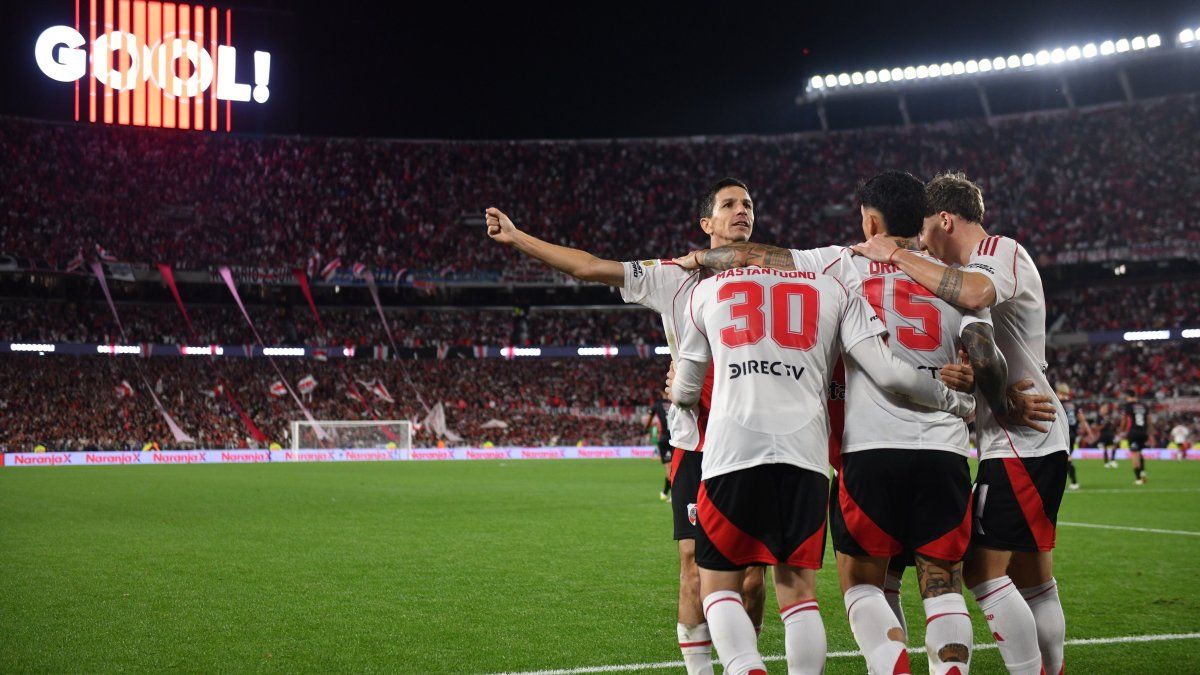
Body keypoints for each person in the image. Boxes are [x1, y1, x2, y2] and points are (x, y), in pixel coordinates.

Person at [483, 178, 767, 675]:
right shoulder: (671, 276)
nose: (742, 211)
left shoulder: (780, 273)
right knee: (692, 569)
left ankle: (747, 661)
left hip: (755, 443)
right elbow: (590, 265)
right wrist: (518, 236)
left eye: (747, 204)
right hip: (695, 446)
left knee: (752, 579)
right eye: (729, 205)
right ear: (706, 224)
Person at [671, 250, 974, 675]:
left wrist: (683, 396)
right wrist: (956, 400)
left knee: (719, 587)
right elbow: (887, 372)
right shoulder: (833, 288)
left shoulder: (705, 290)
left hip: (732, 450)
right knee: (799, 595)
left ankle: (744, 667)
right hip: (807, 457)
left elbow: (686, 389)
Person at [853, 172, 1070, 675]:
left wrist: (895, 255)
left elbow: (973, 296)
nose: (923, 241)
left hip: (1020, 437)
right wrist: (971, 379)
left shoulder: (1000, 251)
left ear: (945, 219)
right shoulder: (983, 261)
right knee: (1035, 578)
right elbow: (983, 348)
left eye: (926, 229)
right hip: (1025, 436)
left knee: (980, 573)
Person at [1056, 383, 1087, 490]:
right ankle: (1071, 482)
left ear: (1059, 392)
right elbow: (1082, 420)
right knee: (1066, 458)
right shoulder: (1074, 404)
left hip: (1061, 433)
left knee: (1062, 458)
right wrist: (1086, 432)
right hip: (1072, 434)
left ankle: (1073, 482)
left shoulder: (1057, 403)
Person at [646, 393, 674, 500]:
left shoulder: (657, 405)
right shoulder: (674, 403)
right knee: (675, 467)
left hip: (664, 439)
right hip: (677, 438)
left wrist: (645, 429)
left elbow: (649, 419)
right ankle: (666, 493)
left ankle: (670, 494)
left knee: (669, 468)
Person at [1122, 391, 1152, 485]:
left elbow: (1125, 419)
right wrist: (1150, 433)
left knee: (1134, 455)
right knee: (1139, 453)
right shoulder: (1144, 405)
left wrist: (1122, 429)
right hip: (1143, 432)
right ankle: (1143, 472)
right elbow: (1149, 420)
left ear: (1128, 397)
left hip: (1134, 432)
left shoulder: (1128, 406)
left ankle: (1138, 479)